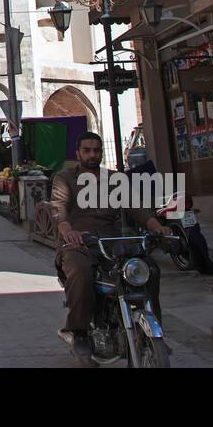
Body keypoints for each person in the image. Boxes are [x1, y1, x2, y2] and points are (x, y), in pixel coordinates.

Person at [50, 131, 167, 363]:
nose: (93, 155)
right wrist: (68, 230)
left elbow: (136, 207)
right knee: (81, 272)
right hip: (79, 243)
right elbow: (58, 207)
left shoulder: (114, 179)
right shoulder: (65, 178)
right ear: (78, 153)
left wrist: (157, 226)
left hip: (112, 243)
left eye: (97, 150)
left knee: (148, 269)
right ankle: (80, 331)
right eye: (87, 150)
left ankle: (155, 335)